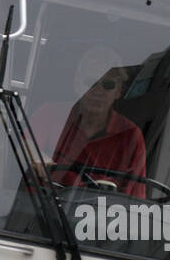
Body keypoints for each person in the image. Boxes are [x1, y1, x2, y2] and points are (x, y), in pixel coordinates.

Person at [30, 50, 147, 199]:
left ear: (119, 91)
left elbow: (133, 201)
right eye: (90, 82)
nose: (98, 91)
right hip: (40, 211)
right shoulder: (49, 113)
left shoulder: (131, 136)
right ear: (76, 84)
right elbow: (26, 143)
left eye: (108, 84)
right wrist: (36, 156)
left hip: (98, 219)